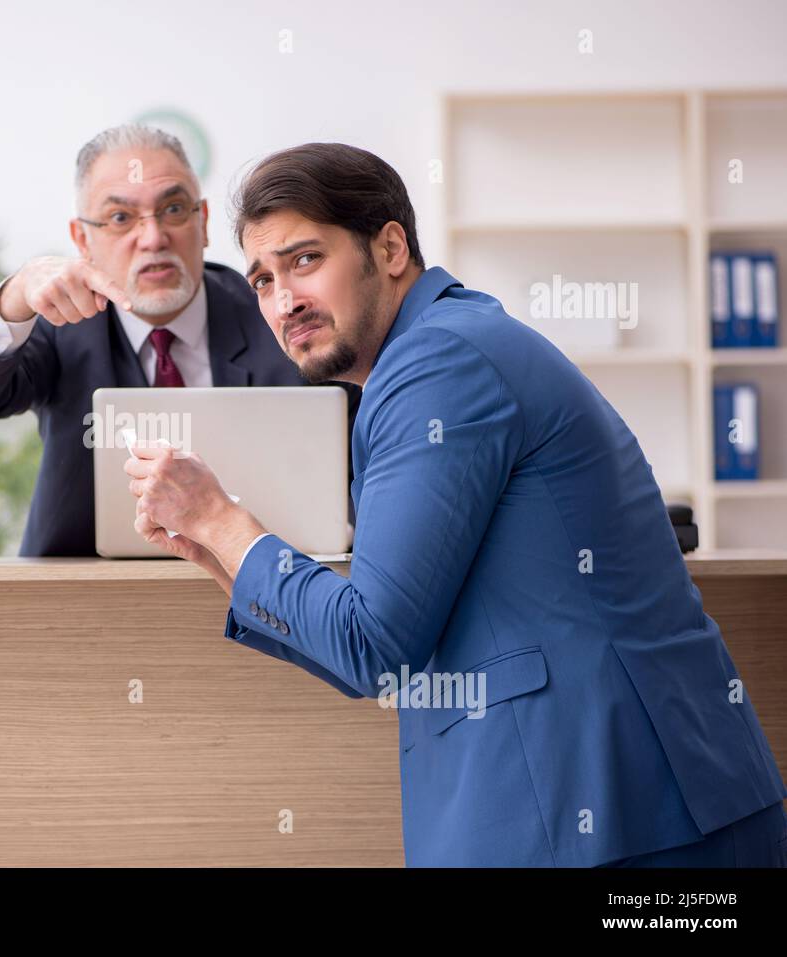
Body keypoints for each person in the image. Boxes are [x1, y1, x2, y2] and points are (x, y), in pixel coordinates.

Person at [124, 142, 787, 867]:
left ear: (390, 246)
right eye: (262, 278)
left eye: (305, 260)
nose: (284, 300)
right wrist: (212, 544)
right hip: (615, 809)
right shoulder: (442, 349)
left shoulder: (438, 364)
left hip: (615, 815)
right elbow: (380, 645)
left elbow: (371, 643)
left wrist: (221, 517)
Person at [0, 125, 357, 556]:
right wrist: (12, 296)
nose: (154, 238)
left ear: (204, 221)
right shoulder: (60, 322)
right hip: (87, 598)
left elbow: (363, 470)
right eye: (121, 218)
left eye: (174, 209)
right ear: (83, 239)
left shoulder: (282, 315)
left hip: (264, 592)